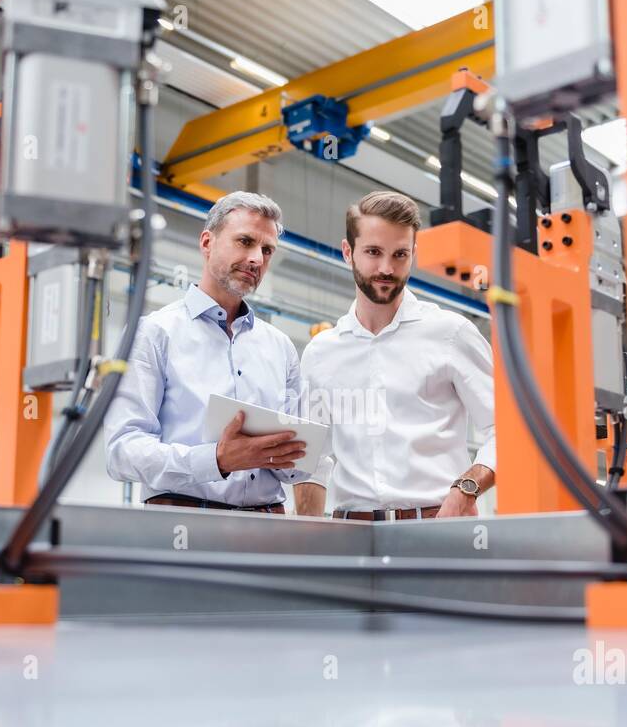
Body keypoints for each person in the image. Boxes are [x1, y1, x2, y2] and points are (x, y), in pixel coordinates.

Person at [296, 190, 496, 520]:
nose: (386, 268)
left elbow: (503, 429)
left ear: (413, 254)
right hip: (351, 533)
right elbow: (312, 458)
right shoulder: (321, 353)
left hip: (437, 526)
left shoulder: (450, 333)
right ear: (348, 252)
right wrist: (308, 540)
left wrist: (466, 489)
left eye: (400, 254)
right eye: (373, 252)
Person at [105, 191, 307, 513]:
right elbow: (122, 451)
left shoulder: (281, 347)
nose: (257, 259)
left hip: (268, 524)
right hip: (183, 521)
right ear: (206, 243)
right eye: (245, 242)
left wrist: (295, 455)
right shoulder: (155, 333)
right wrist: (215, 460)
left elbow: (297, 464)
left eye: (267, 250)